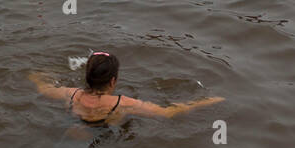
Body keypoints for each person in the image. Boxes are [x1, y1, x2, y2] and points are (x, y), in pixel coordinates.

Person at [29, 51, 222, 126]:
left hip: (70, 133)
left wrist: (37, 74)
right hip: (99, 138)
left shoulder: (70, 93)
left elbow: (43, 88)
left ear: (87, 76)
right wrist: (207, 101)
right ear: (113, 81)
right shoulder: (123, 103)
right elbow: (168, 113)